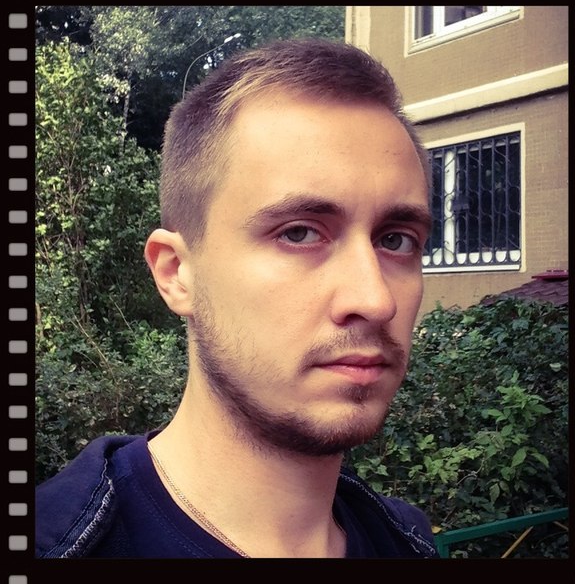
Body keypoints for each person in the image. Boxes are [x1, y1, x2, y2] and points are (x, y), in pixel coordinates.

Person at [35, 37, 438, 559]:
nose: (376, 299)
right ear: (177, 273)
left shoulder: (406, 542)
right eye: (299, 233)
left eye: (396, 240)